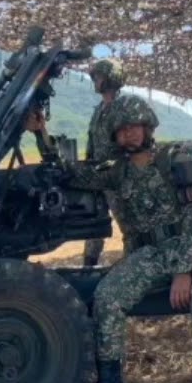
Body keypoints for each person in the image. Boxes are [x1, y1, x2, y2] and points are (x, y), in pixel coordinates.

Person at [25, 94, 192, 383]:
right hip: (147, 255)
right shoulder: (116, 172)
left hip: (188, 249)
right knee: (107, 298)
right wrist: (41, 134)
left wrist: (184, 271)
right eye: (121, 130)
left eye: (134, 127)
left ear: (147, 126)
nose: (128, 134)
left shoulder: (176, 159)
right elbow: (71, 173)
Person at [81, 58, 131, 267]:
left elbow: (132, 143)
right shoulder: (98, 110)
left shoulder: (124, 107)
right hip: (98, 176)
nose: (95, 81)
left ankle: (133, 264)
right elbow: (92, 143)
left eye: (99, 77)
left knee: (129, 226)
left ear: (111, 78)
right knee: (94, 225)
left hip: (118, 179)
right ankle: (89, 264)